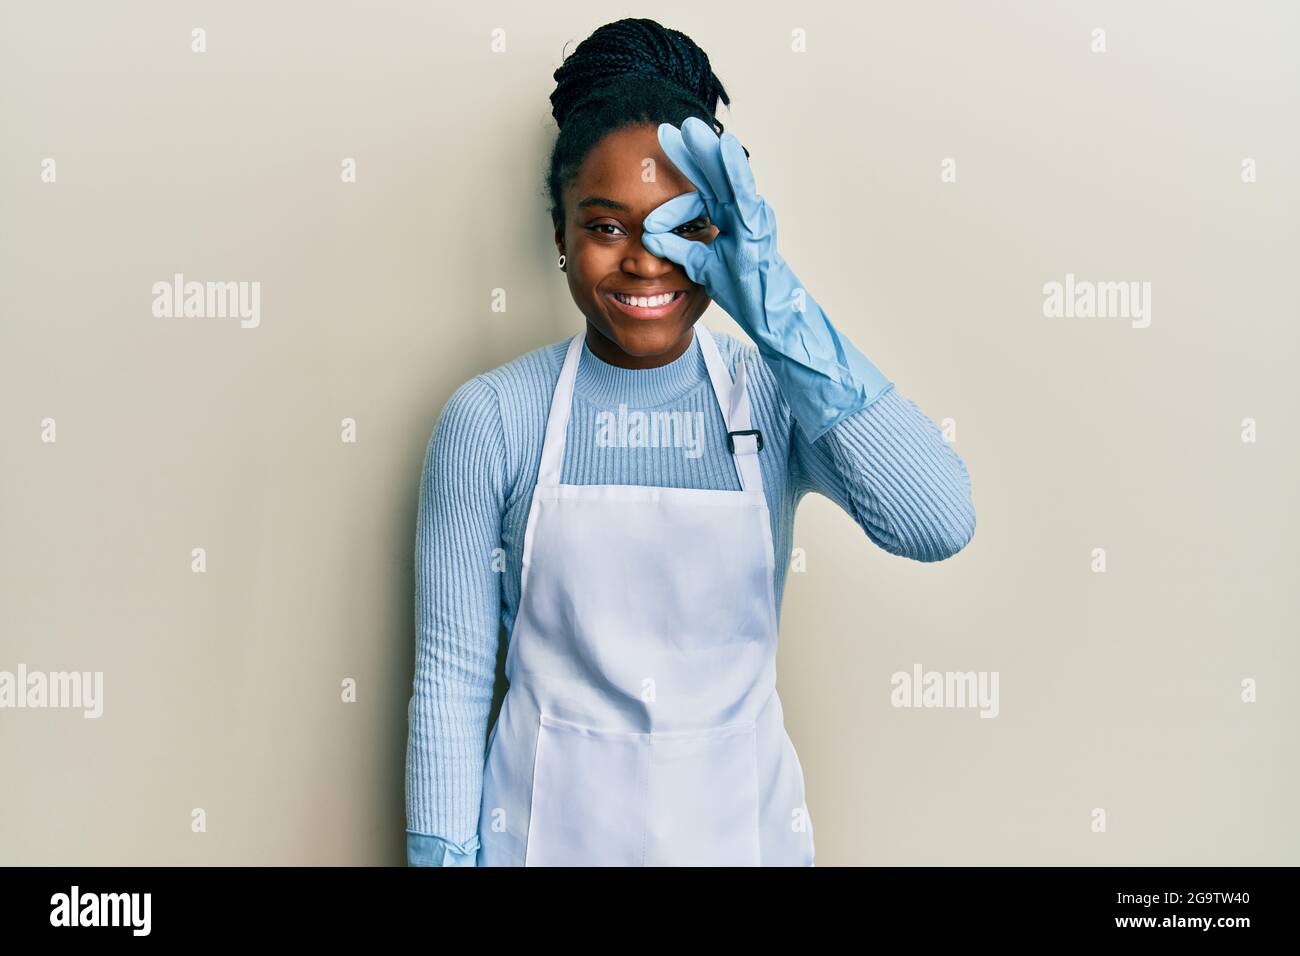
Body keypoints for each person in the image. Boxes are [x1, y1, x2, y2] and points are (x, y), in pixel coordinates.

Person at [405, 17, 976, 867]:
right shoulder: (493, 419)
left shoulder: (777, 398)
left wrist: (774, 303)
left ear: (723, 231)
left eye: (684, 227)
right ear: (560, 237)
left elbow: (938, 521)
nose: (645, 262)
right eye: (606, 227)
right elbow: (450, 680)